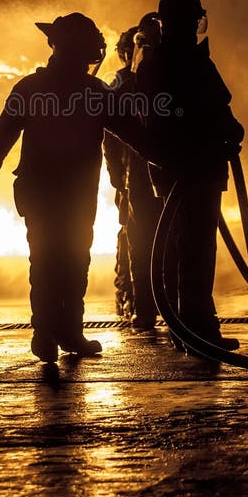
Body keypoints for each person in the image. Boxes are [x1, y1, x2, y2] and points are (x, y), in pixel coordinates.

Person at [0, 12, 165, 364]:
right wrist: (176, 159)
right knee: (73, 259)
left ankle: (50, 332)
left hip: (42, 193)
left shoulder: (32, 88)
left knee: (46, 259)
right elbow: (140, 139)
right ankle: (63, 330)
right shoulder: (93, 93)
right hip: (73, 196)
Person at [136, 0, 244, 352]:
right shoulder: (173, 63)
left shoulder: (163, 62)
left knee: (192, 249)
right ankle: (195, 330)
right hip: (189, 169)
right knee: (194, 250)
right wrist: (222, 131)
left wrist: (227, 130)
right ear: (190, 20)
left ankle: (192, 329)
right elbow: (191, 113)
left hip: (189, 168)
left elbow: (216, 106)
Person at [104, 25, 162, 330]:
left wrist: (118, 178)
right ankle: (143, 305)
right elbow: (111, 139)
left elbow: (110, 141)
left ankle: (146, 308)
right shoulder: (123, 87)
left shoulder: (127, 86)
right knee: (141, 242)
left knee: (143, 242)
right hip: (138, 179)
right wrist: (118, 179)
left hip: (141, 178)